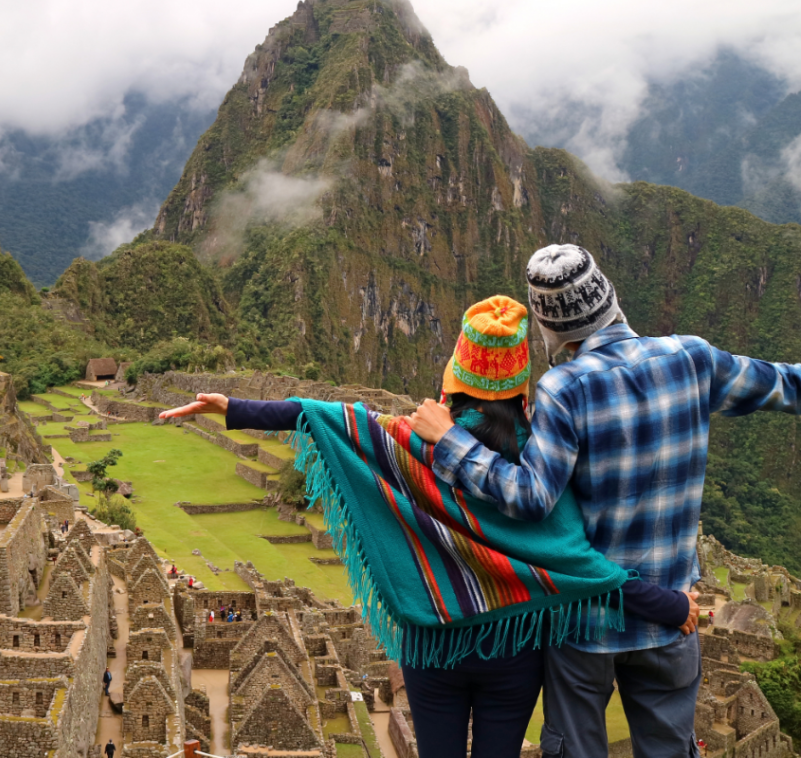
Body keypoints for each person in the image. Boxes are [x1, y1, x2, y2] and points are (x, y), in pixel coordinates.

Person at [160, 295, 695, 758]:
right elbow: (579, 565)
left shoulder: (407, 444)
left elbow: (333, 418)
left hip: (430, 645)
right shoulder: (538, 461)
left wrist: (235, 407)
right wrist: (670, 606)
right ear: (521, 392)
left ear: (453, 382)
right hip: (512, 649)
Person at [406, 245, 801, 758]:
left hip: (585, 627)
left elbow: (530, 498)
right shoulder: (692, 357)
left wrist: (450, 441)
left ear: (550, 331)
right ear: (612, 299)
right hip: (670, 617)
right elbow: (788, 385)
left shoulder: (564, 389)